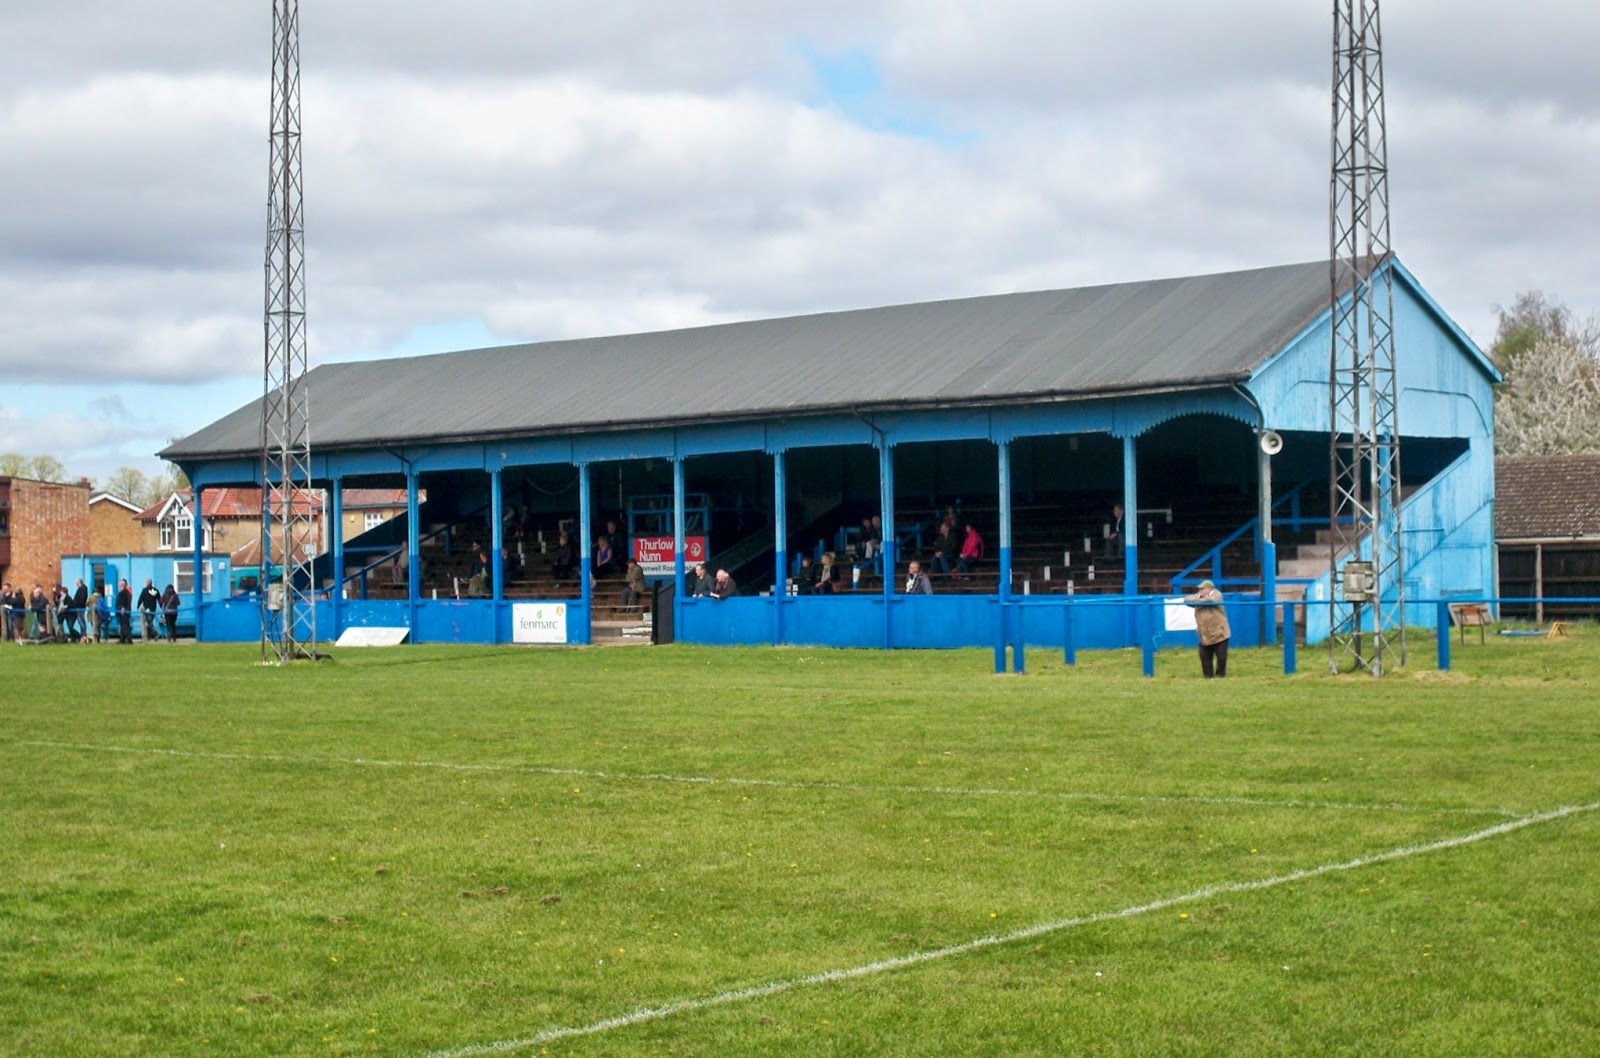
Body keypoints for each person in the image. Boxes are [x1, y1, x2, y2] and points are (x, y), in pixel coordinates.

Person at [1186, 579, 1231, 678]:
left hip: (1220, 632)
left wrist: (1199, 599)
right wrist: (1200, 598)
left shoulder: (1217, 594)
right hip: (1204, 633)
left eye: (1202, 589)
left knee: (1221, 657)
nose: (1200, 591)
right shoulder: (1199, 596)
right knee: (1204, 656)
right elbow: (1187, 600)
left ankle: (1220, 675)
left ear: (1209, 588)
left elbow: (1211, 600)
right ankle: (1208, 676)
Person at [115, 579, 134, 644]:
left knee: (124, 626)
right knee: (124, 625)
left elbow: (122, 602)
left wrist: (122, 608)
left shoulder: (122, 593)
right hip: (127, 611)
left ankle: (129, 639)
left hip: (123, 612)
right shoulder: (128, 592)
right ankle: (122, 639)